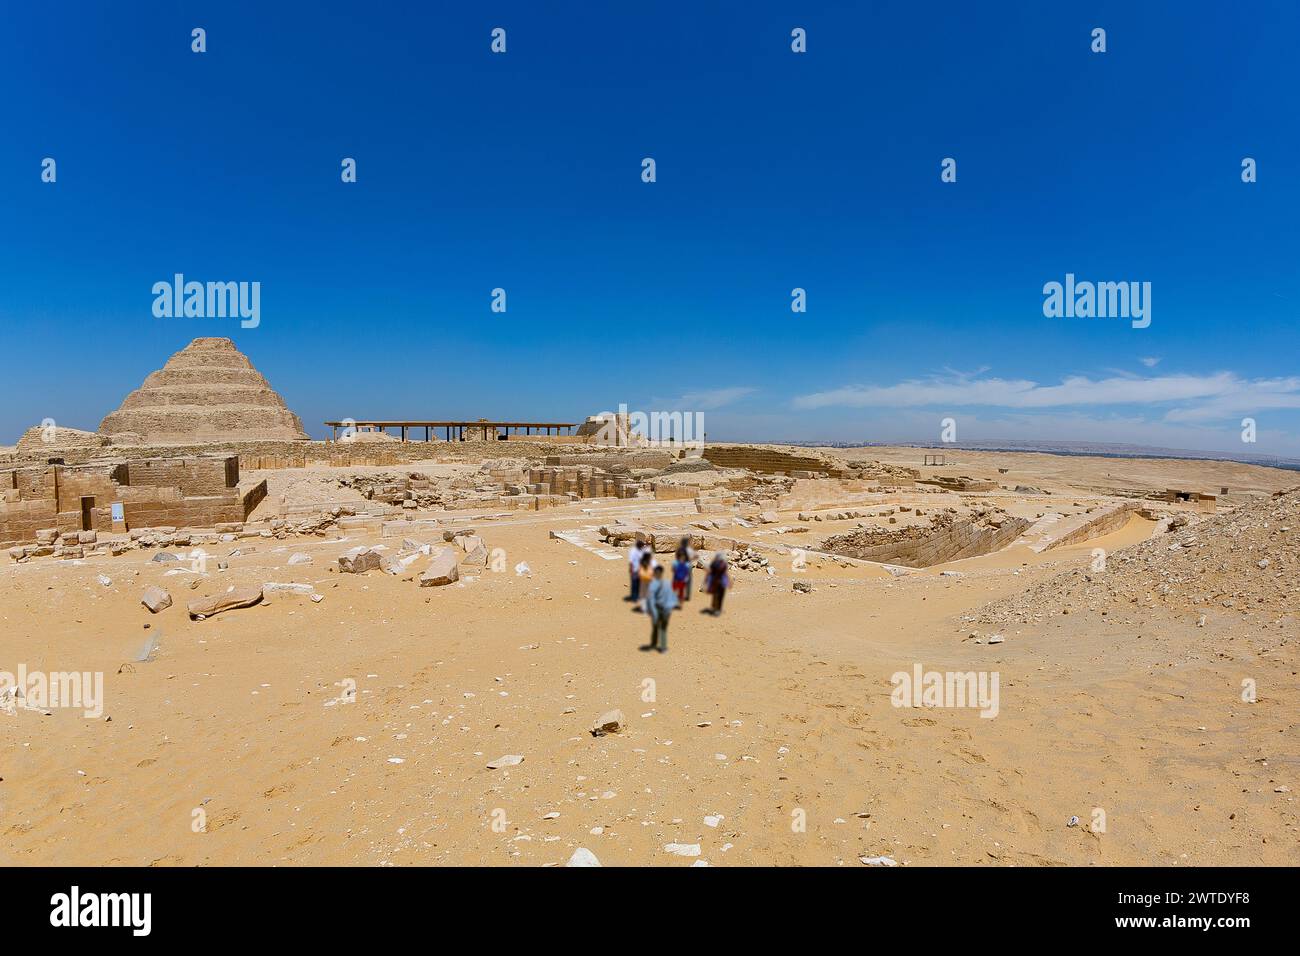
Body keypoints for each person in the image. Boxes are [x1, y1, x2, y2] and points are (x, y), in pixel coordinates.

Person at [641, 564, 678, 653]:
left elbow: (651, 600)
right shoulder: (667, 583)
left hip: (658, 609)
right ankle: (663, 647)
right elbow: (673, 598)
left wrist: (653, 612)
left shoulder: (652, 585)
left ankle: (655, 644)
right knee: (663, 629)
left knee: (656, 627)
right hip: (666, 609)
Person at [704, 551, 730, 616]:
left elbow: (709, 572)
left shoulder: (716, 564)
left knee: (717, 596)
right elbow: (725, 574)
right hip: (718, 582)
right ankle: (716, 609)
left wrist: (706, 580)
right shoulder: (722, 564)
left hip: (716, 582)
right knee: (718, 596)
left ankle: (715, 608)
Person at [677, 536, 697, 601]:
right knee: (689, 581)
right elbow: (694, 557)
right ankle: (687, 596)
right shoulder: (689, 550)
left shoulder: (679, 549)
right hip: (688, 566)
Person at [627, 537, 645, 603]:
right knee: (635, 584)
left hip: (640, 570)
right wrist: (631, 570)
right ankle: (634, 597)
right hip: (635, 570)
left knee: (640, 584)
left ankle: (639, 596)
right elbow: (631, 562)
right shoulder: (633, 552)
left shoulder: (641, 551)